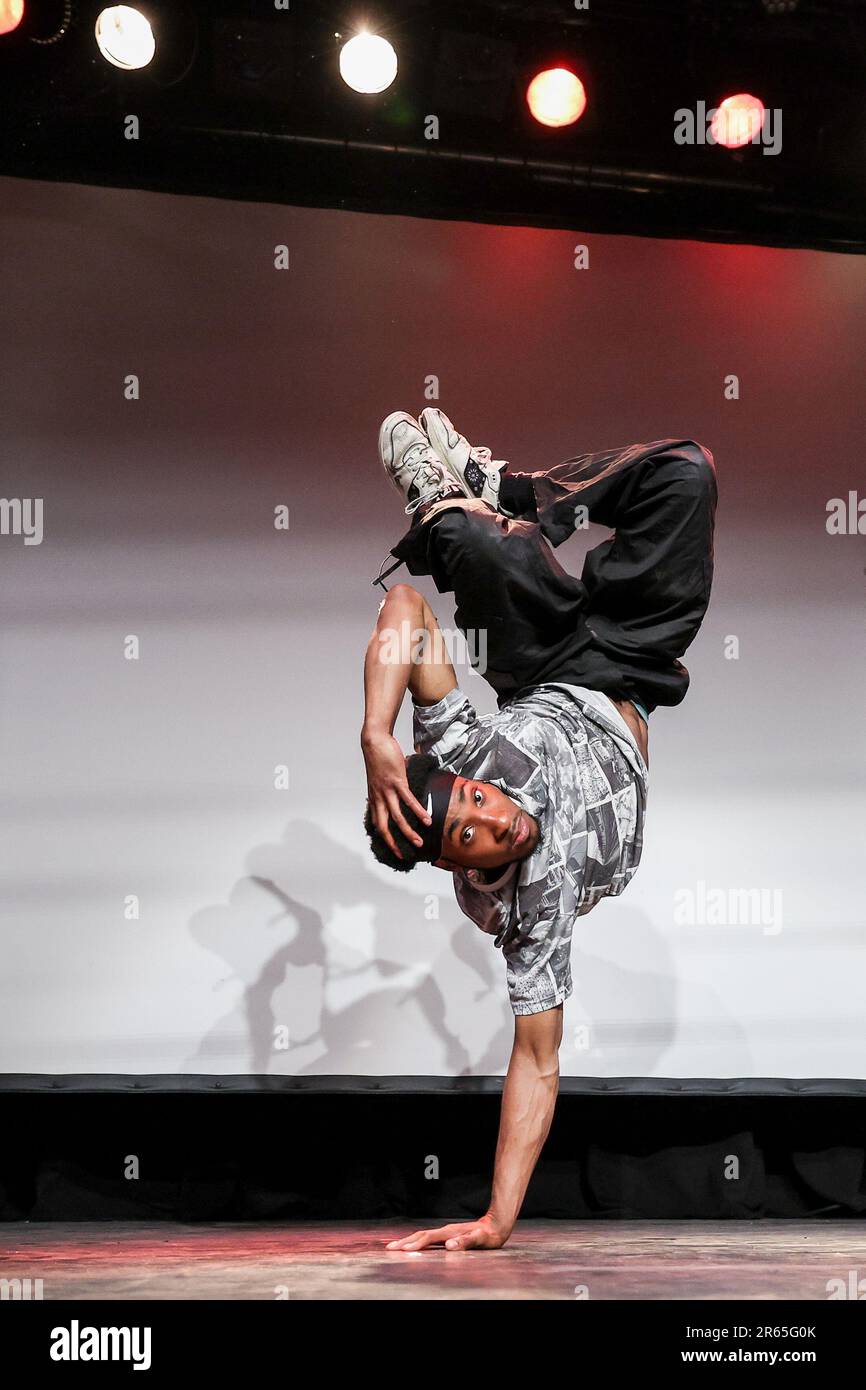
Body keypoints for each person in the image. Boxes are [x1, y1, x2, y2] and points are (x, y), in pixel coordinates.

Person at [361, 408, 717, 1251]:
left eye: (479, 801)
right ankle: (466, 505)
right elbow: (536, 1061)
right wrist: (496, 1219)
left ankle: (490, 489)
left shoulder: (465, 754)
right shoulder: (529, 913)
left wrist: (377, 734)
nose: (497, 813)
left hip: (547, 664)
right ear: (462, 868)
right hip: (627, 666)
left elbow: (406, 610)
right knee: (695, 477)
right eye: (475, 832)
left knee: (501, 537)